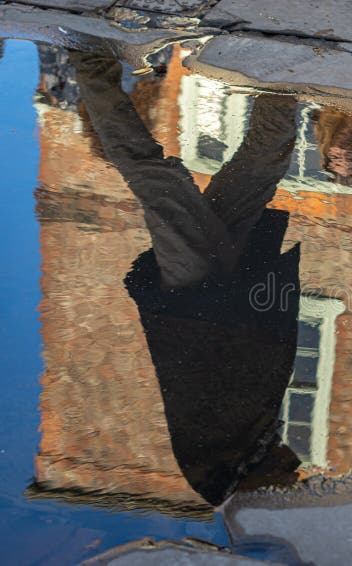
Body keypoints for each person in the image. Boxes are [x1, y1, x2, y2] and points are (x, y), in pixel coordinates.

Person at [70, 51, 302, 506]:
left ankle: (91, 68)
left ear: (262, 489)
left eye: (290, 476)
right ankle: (281, 79)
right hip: (233, 286)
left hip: (193, 292)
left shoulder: (218, 462)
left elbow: (215, 370)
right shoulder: (252, 443)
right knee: (262, 166)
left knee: (155, 176)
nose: (297, 465)